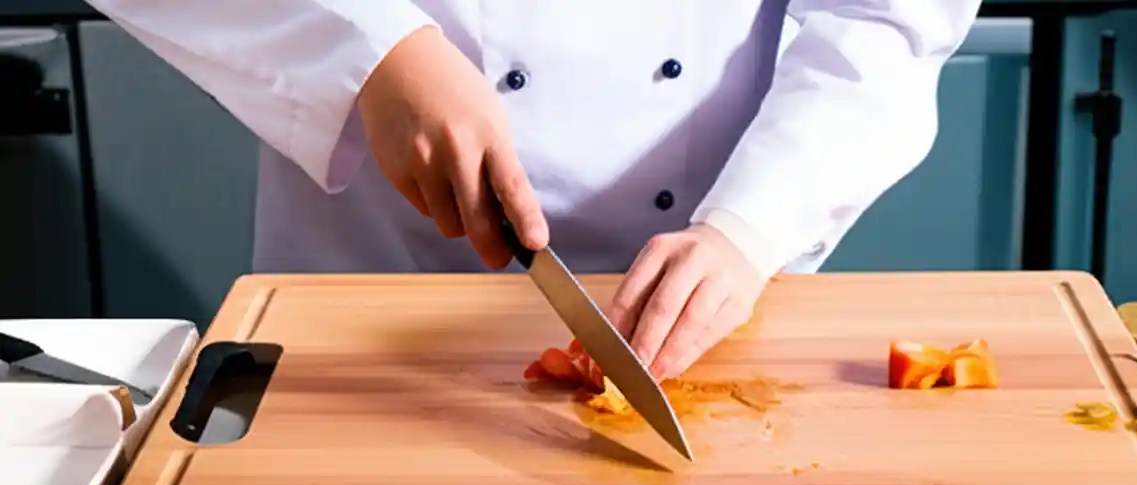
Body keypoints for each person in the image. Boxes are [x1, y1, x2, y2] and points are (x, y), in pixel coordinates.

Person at [84, 1, 982, 380]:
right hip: (377, 291)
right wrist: (366, 47)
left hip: (725, 286)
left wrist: (754, 224)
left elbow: (882, 21)